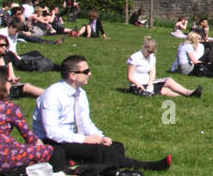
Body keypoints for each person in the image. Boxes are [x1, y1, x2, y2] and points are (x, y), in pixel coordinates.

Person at [33, 55, 171, 170]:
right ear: (72, 75)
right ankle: (144, 165)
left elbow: (85, 123)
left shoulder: (80, 93)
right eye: (86, 71)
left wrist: (100, 137)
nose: (90, 74)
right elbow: (52, 132)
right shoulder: (52, 95)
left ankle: (85, 164)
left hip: (70, 137)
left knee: (115, 146)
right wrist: (85, 140)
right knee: (101, 151)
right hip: (52, 142)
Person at [0, 67, 65, 172]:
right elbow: (30, 138)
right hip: (9, 158)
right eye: (9, 81)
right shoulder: (9, 108)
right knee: (55, 151)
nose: (11, 85)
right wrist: (46, 150)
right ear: (1, 84)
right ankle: (59, 174)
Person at [128, 37, 200, 98]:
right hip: (137, 85)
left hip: (147, 82)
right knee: (166, 85)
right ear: (144, 47)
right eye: (149, 52)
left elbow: (153, 71)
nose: (150, 54)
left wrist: (150, 82)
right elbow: (130, 77)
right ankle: (188, 93)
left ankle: (187, 95)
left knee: (165, 87)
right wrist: (139, 85)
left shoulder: (152, 57)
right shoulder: (135, 57)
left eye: (152, 52)